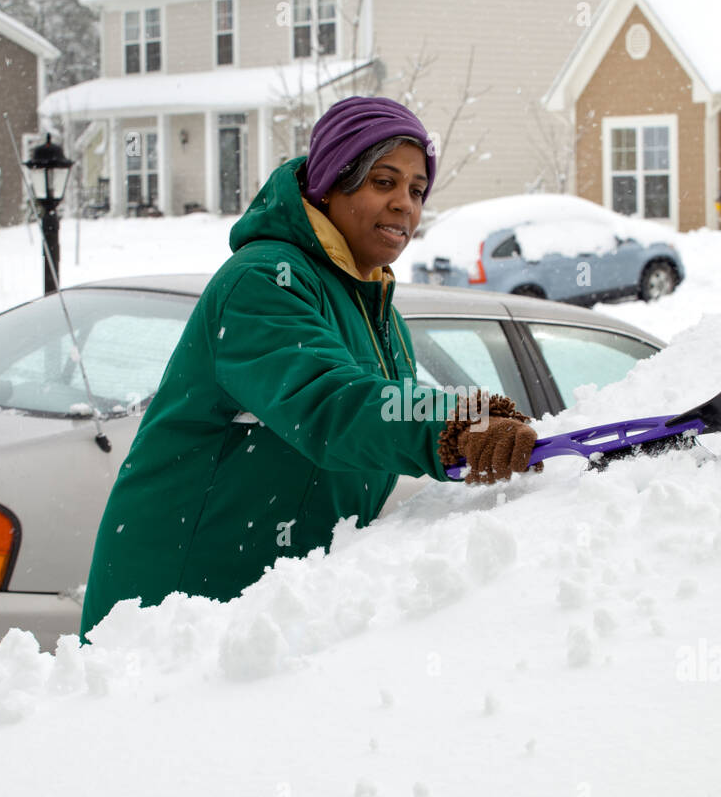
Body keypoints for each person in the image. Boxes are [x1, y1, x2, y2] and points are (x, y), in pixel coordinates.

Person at [79, 96, 539, 641]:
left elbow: (376, 421)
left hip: (273, 609)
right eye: (383, 181)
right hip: (179, 606)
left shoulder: (378, 311)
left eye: (416, 191)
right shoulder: (264, 282)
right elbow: (333, 402)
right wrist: (457, 425)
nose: (404, 205)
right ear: (329, 182)